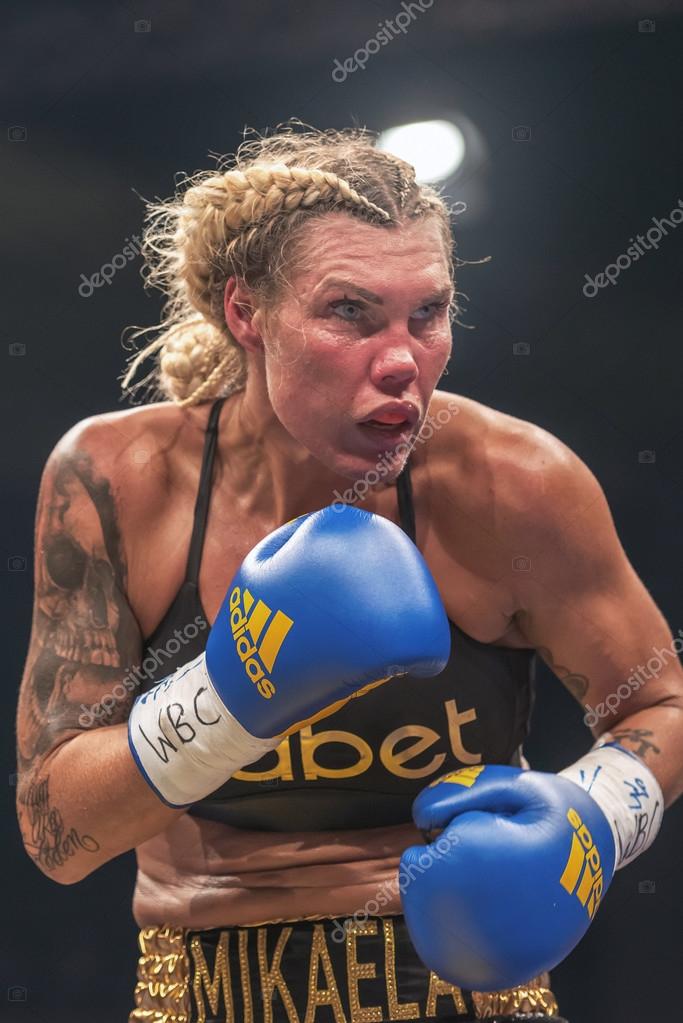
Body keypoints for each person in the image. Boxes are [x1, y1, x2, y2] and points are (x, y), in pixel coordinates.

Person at [15, 122, 683, 1023]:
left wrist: (594, 812)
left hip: (471, 998)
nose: (402, 359)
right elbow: (57, 833)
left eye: (428, 313)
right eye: (350, 312)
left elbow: (659, 702)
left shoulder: (511, 484)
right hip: (201, 995)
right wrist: (224, 700)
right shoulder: (120, 481)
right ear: (245, 312)